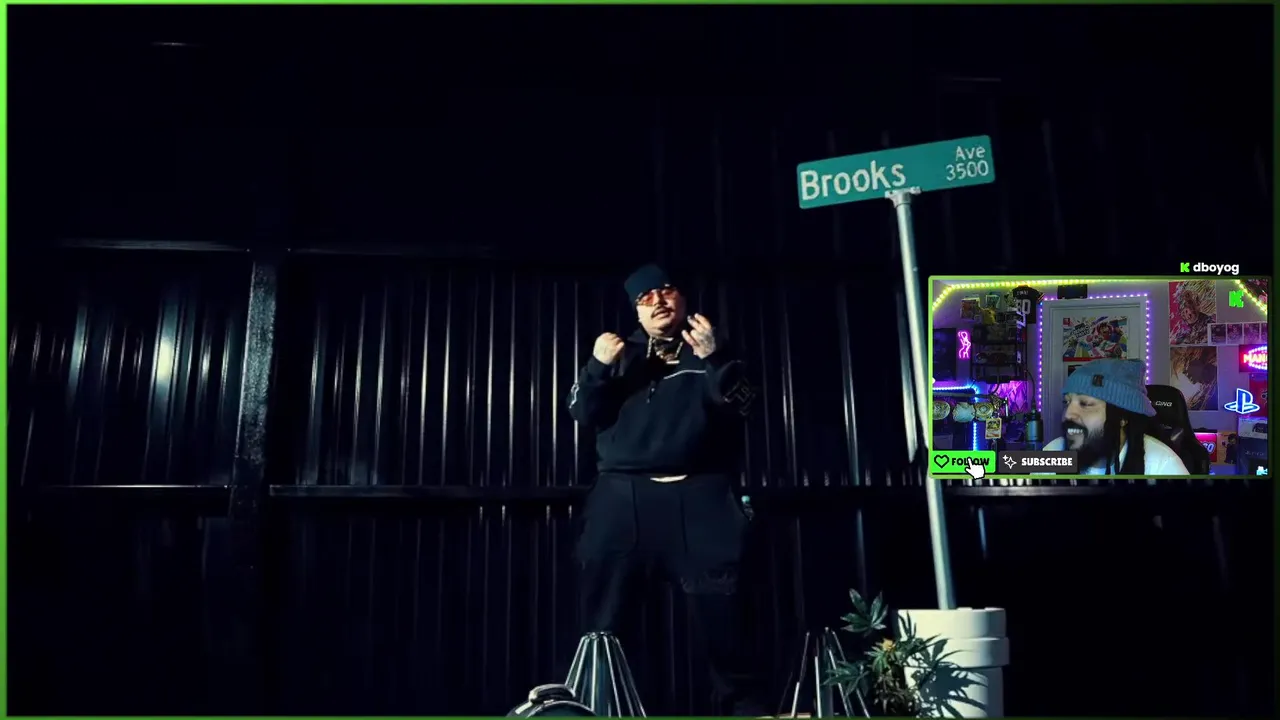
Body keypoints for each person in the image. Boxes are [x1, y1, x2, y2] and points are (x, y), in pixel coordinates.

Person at [566, 263, 765, 716]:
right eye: (645, 297)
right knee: (604, 618)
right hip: (623, 497)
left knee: (726, 619)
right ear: (636, 312)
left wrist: (716, 358)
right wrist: (598, 366)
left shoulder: (712, 350)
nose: (658, 300)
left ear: (683, 299)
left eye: (667, 291)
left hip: (702, 496)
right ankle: (597, 709)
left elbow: (746, 406)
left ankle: (745, 710)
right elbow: (582, 412)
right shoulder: (618, 355)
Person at [1042, 358, 1189, 475]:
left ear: (1122, 418)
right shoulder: (1052, 452)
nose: (1068, 414)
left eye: (1085, 404)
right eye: (1066, 402)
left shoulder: (1163, 466)